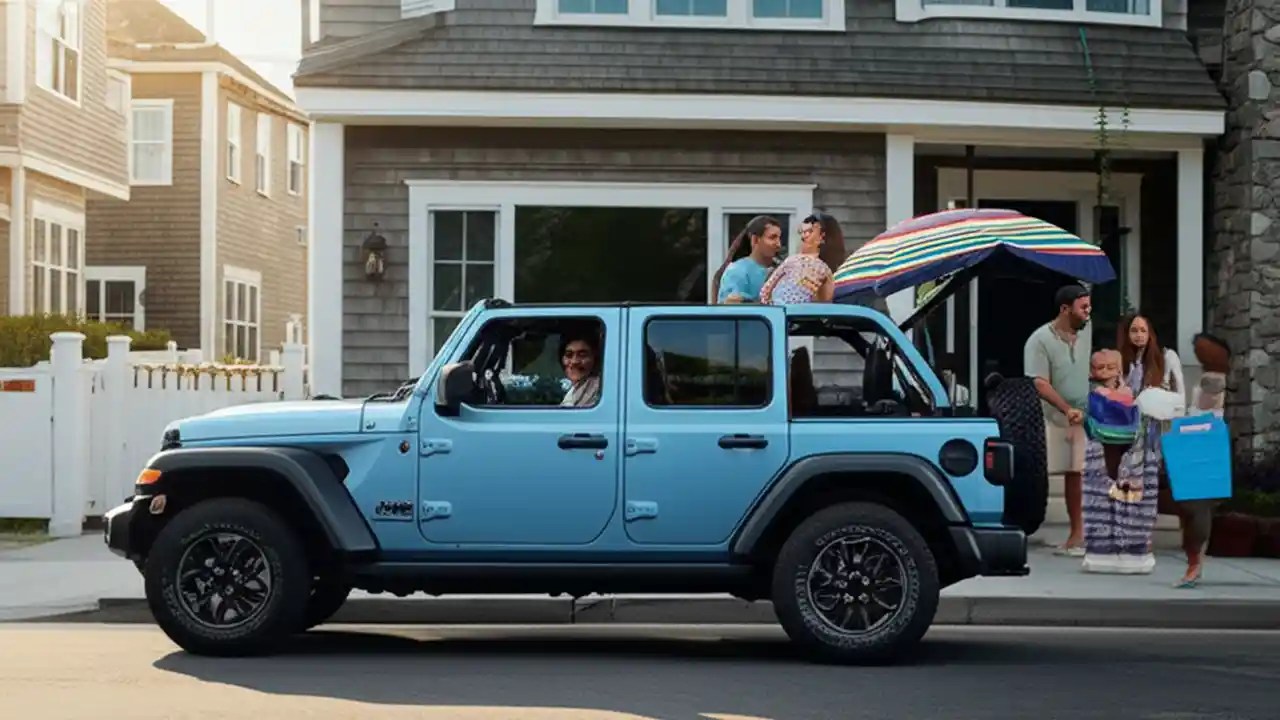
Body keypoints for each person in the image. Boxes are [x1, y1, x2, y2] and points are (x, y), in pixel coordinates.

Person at [1024, 284, 1093, 556]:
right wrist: (1066, 408)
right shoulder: (1039, 340)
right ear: (1065, 309)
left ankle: (1083, 533)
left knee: (1083, 471)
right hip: (1055, 417)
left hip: (1088, 414)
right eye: (1083, 307)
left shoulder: (1087, 334)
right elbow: (1039, 382)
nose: (1088, 312)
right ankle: (1076, 534)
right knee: (1071, 472)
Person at [1161, 332, 1231, 587]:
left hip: (1204, 448)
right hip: (1198, 446)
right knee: (1194, 506)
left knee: (1198, 507)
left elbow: (1204, 412)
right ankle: (1194, 561)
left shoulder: (1213, 380)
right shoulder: (1208, 378)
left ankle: (1195, 563)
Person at [759, 211, 846, 305]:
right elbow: (766, 291)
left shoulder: (829, 273)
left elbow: (826, 306)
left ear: (823, 237)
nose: (803, 236)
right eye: (802, 232)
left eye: (809, 231)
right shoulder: (792, 261)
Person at [713, 215, 783, 304]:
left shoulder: (782, 269)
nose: (778, 244)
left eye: (779, 238)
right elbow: (730, 304)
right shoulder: (737, 270)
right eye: (772, 238)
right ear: (755, 240)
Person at [559, 333, 601, 408]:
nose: (574, 361)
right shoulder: (574, 389)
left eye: (582, 355)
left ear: (595, 358)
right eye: (569, 355)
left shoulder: (599, 389)